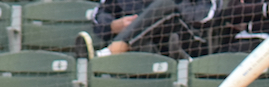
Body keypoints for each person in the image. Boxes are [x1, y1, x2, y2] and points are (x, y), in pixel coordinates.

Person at [77, 0, 219, 59]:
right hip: (142, 49)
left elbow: (205, 17)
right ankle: (113, 50)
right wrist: (113, 26)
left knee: (165, 5)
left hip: (187, 43)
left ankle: (107, 53)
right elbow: (100, 14)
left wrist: (157, 15)